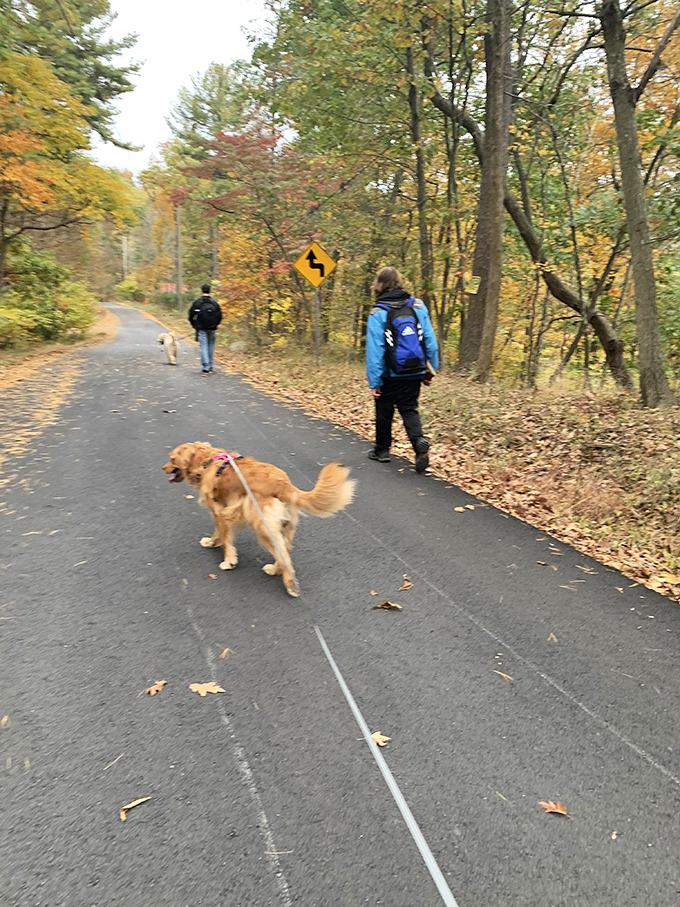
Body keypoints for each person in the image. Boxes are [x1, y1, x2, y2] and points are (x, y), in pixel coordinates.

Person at [365, 267, 439, 473]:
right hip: (414, 370)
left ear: (378, 285)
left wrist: (375, 380)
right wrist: (430, 369)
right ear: (400, 281)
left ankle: (382, 450)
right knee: (409, 408)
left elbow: (375, 350)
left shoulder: (378, 312)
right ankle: (418, 442)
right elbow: (430, 342)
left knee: (384, 410)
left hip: (390, 373)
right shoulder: (418, 305)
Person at [188, 284, 222, 373]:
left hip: (201, 328)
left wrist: (194, 325)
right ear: (209, 291)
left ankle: (206, 366)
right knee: (211, 345)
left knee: (203, 346)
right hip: (212, 328)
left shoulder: (198, 302)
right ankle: (210, 365)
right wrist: (216, 325)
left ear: (202, 291)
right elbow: (219, 315)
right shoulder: (214, 303)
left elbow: (191, 315)